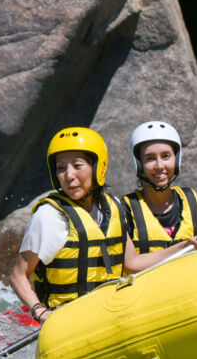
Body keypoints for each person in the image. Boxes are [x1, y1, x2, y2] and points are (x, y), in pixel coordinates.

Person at [8, 127, 127, 322]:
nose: (68, 175)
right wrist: (40, 312)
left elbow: (132, 263)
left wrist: (185, 246)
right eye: (61, 168)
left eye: (77, 166)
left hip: (109, 313)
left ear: (98, 167)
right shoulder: (49, 216)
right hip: (67, 322)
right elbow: (18, 276)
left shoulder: (112, 207)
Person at [120, 120, 197, 272]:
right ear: (139, 163)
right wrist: (184, 247)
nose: (160, 166)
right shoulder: (124, 210)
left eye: (166, 156)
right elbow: (131, 265)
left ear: (176, 159)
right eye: (150, 158)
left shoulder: (193, 203)